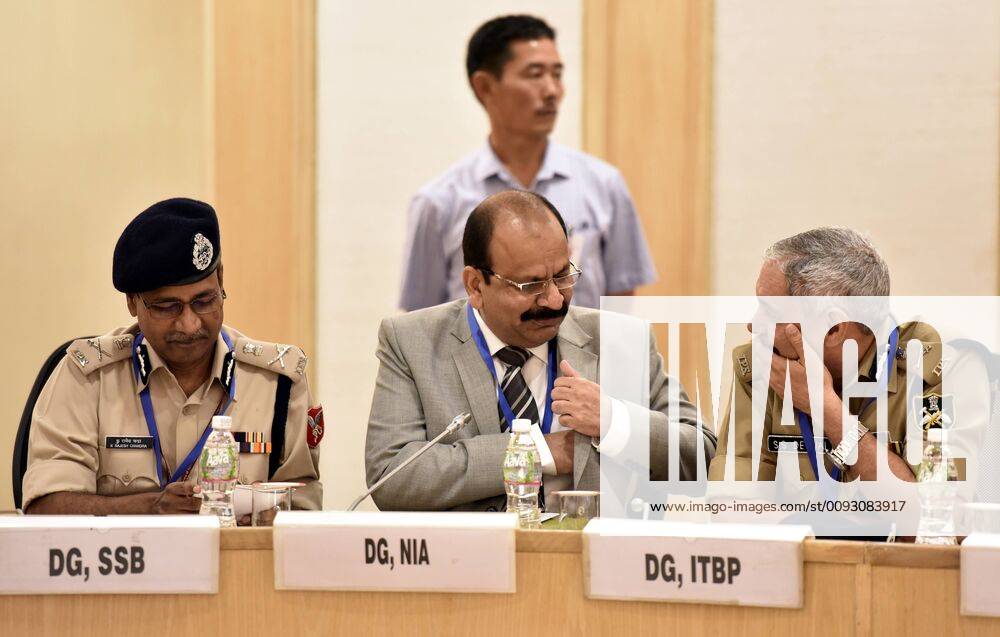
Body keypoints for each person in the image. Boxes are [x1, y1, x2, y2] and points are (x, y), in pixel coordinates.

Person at [367, 190, 713, 511]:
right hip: (467, 568)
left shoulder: (621, 340)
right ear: (475, 284)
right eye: (531, 285)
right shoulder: (411, 342)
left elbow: (701, 456)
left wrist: (614, 422)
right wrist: (539, 451)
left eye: (563, 276)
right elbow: (391, 477)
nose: (555, 300)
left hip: (593, 565)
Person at [23, 198, 322, 515]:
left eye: (204, 300)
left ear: (220, 281)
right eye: (168, 307)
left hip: (237, 562)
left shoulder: (278, 383)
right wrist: (151, 508)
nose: (190, 324)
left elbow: (302, 512)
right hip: (127, 563)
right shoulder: (88, 378)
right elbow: (46, 506)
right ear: (133, 303)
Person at [398, 14, 656, 312]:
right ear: (484, 86)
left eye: (557, 74)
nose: (551, 91)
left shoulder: (604, 185)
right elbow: (421, 323)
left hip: (580, 359)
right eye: (535, 74)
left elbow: (621, 309)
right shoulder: (439, 202)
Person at [708, 227, 989, 488]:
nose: (753, 325)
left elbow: (936, 523)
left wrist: (825, 408)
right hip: (801, 542)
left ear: (833, 329)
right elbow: (732, 510)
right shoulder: (764, 367)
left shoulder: (944, 367)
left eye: (770, 311)